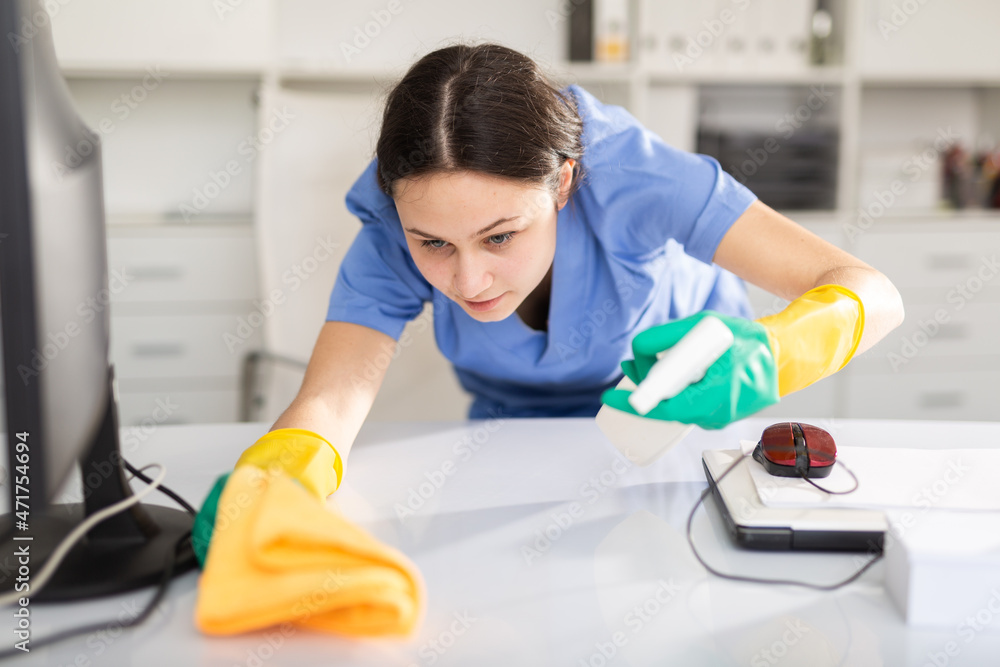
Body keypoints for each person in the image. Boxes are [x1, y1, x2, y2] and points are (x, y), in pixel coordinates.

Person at [191, 42, 904, 634]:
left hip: (679, 417)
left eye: (500, 235)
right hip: (508, 426)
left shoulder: (631, 173)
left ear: (563, 183)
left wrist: (776, 350)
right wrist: (275, 479)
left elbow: (871, 289)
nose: (469, 280)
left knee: (663, 608)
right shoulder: (392, 217)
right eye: (433, 244)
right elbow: (333, 397)